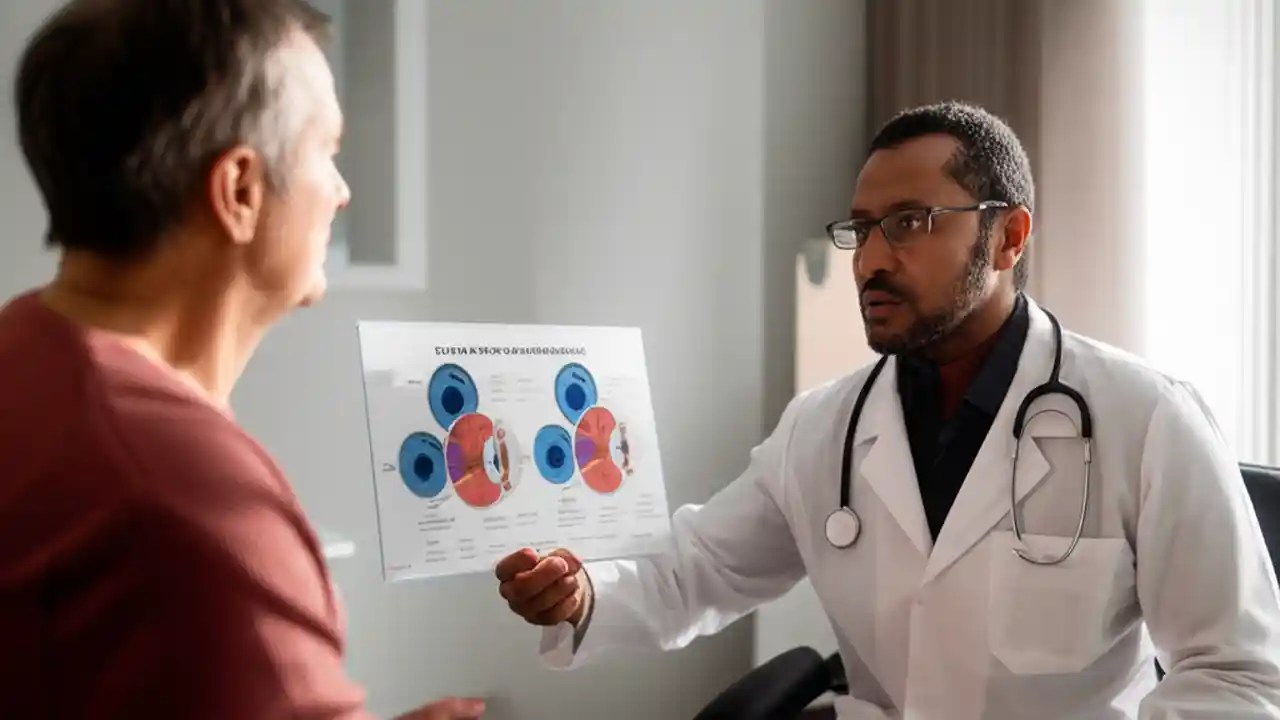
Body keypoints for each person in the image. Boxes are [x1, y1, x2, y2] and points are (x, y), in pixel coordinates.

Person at [495, 101, 1280, 718]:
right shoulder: (822, 430)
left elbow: (1236, 672)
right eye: (862, 229)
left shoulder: (1146, 419)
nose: (871, 259)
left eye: (910, 223)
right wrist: (582, 593)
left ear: (1008, 237)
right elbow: (694, 573)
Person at [0, 1, 481, 718]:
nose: (343, 193)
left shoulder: (26, 355)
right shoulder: (192, 505)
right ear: (240, 192)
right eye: (330, 151)